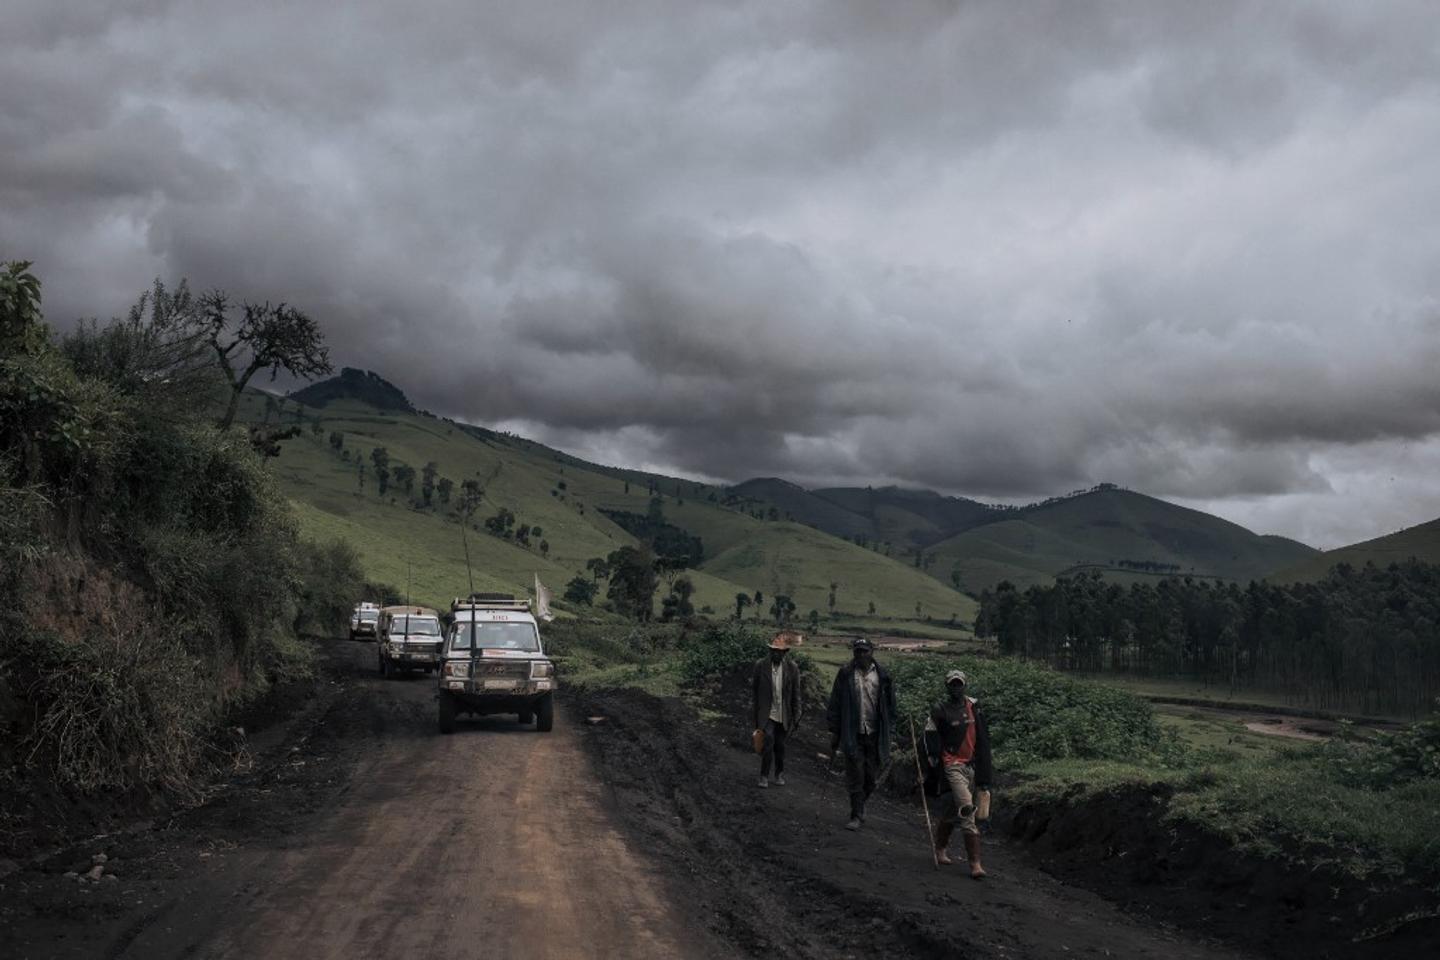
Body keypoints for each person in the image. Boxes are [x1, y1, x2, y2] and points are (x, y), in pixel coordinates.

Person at [924, 669, 993, 878]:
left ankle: (940, 848)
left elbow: (983, 741)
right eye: (952, 684)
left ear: (965, 685)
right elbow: (929, 739)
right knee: (966, 809)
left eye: (959, 684)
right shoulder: (940, 710)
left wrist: (984, 776)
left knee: (953, 810)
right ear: (947, 686)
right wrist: (932, 764)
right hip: (952, 765)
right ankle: (975, 864)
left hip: (970, 767)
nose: (956, 687)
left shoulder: (974, 707)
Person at [826, 637, 897, 830]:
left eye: (865, 651)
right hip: (852, 732)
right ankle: (856, 815)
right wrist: (834, 730)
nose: (861, 655)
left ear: (872, 652)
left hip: (875, 734)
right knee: (855, 774)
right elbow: (835, 702)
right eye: (858, 651)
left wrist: (890, 731)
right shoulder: (846, 674)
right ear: (853, 653)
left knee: (870, 778)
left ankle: (860, 805)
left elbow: (891, 707)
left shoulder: (883, 676)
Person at [751, 630, 803, 788]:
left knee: (780, 746)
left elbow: (796, 694)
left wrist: (797, 714)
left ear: (785, 653)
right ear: (770, 651)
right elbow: (755, 692)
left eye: (780, 652)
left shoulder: (792, 668)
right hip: (768, 713)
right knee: (768, 743)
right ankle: (764, 776)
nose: (777, 654)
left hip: (784, 713)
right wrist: (756, 716)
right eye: (774, 651)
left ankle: (779, 773)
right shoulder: (761, 666)